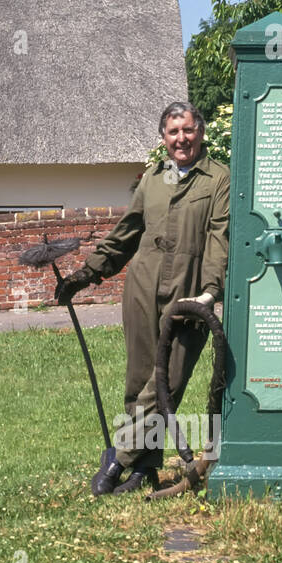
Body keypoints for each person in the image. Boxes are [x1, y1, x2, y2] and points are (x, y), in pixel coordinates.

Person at [54, 102, 229, 495]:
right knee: (138, 381)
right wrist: (86, 274)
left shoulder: (218, 179)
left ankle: (119, 456)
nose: (181, 139)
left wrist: (210, 291)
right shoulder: (153, 179)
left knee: (166, 382)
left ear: (200, 132)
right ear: (164, 138)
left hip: (189, 294)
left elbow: (220, 237)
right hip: (142, 286)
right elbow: (127, 232)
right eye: (173, 132)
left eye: (187, 130)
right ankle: (143, 470)